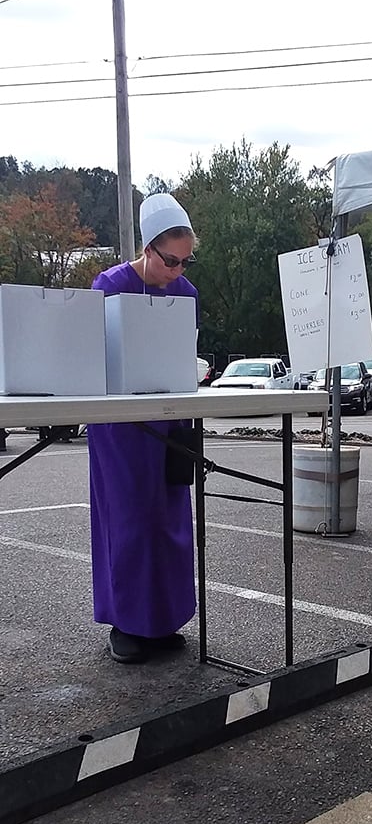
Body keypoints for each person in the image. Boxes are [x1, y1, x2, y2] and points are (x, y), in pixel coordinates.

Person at [88, 193, 200, 663]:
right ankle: (125, 623)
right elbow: (92, 350)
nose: (177, 270)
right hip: (119, 425)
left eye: (185, 261)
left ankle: (163, 618)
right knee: (128, 517)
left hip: (170, 418)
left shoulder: (186, 293)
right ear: (148, 249)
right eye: (171, 261)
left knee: (170, 517)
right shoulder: (110, 285)